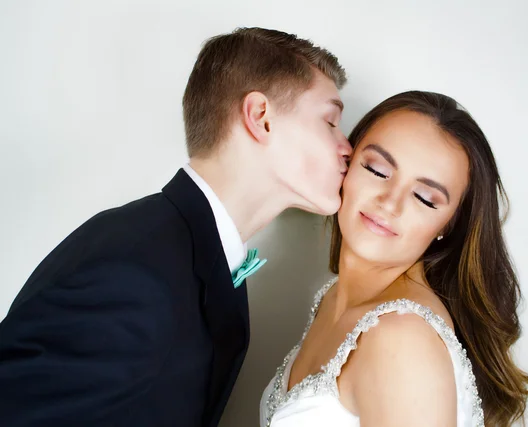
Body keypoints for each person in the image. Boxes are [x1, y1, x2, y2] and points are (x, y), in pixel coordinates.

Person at [0, 27, 351, 427]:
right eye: (331, 121)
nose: (347, 146)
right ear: (261, 118)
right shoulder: (134, 271)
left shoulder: (187, 256)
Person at [261, 91, 528, 427]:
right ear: (346, 163)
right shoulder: (333, 297)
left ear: (447, 225)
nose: (390, 203)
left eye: (424, 198)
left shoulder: (401, 338)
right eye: (377, 169)